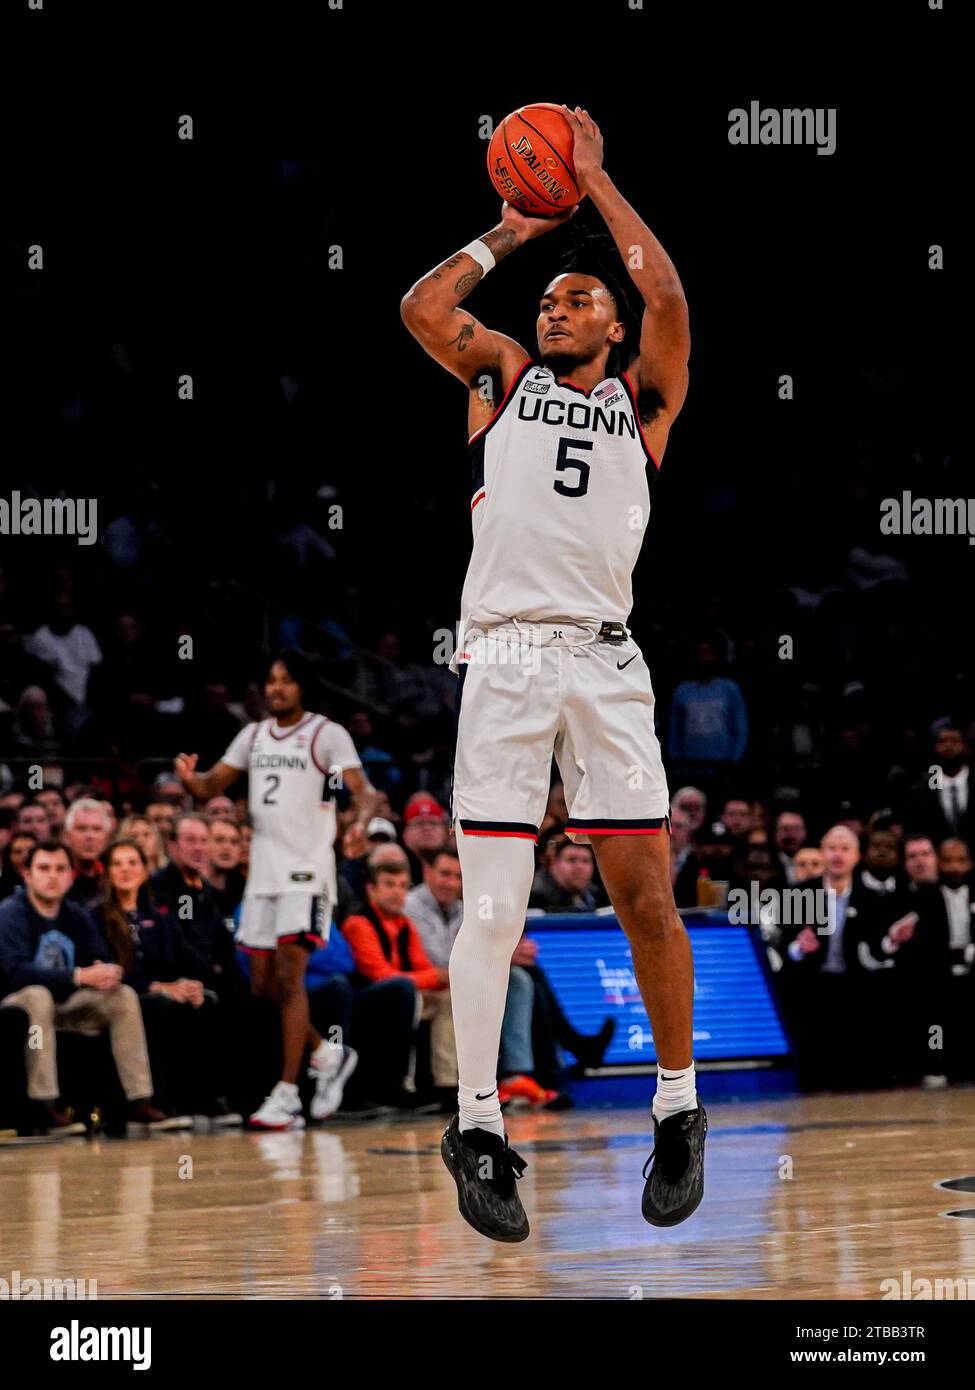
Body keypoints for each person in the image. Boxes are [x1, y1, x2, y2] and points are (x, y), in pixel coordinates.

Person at [401, 105, 702, 1240]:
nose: (553, 308)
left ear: (616, 330)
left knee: (646, 899)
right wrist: (516, 226)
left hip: (607, 658)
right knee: (493, 906)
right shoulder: (501, 381)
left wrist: (597, 181)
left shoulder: (644, 401)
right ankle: (479, 1127)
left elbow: (668, 299)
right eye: (548, 300)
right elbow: (424, 310)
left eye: (580, 299)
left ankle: (677, 1107)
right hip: (511, 657)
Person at [174, 651, 378, 1131]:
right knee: (262, 982)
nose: (276, 689)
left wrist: (361, 822)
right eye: (270, 681)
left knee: (290, 979)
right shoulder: (253, 735)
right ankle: (326, 1052)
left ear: (303, 687)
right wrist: (190, 779)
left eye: (286, 681)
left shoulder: (326, 733)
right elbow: (210, 787)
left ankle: (286, 1094)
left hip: (307, 871)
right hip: (263, 871)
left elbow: (364, 791)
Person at [0, 841, 170, 1134]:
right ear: (27, 875)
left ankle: (138, 1100)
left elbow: (100, 956)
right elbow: (16, 972)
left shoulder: (74, 914)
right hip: (19, 1005)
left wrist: (109, 971)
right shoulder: (11, 912)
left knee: (123, 996)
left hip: (67, 1006)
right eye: (44, 868)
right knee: (38, 996)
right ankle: (44, 1105)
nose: (52, 876)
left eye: (60, 869)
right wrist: (79, 976)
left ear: (70, 876)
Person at [91, 839, 234, 1124]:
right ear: (107, 872)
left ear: (145, 870)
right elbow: (106, 970)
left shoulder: (159, 915)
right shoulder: (95, 916)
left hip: (162, 990)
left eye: (133, 863)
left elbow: (182, 959)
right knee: (159, 1007)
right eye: (117, 864)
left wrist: (189, 984)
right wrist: (159, 987)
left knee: (207, 1000)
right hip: (123, 994)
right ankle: (161, 1102)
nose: (125, 870)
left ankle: (205, 1099)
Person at [62, 797, 112, 911]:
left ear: (107, 836)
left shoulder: (115, 875)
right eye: (81, 828)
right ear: (66, 836)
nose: (90, 836)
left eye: (97, 829)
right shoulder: (55, 877)